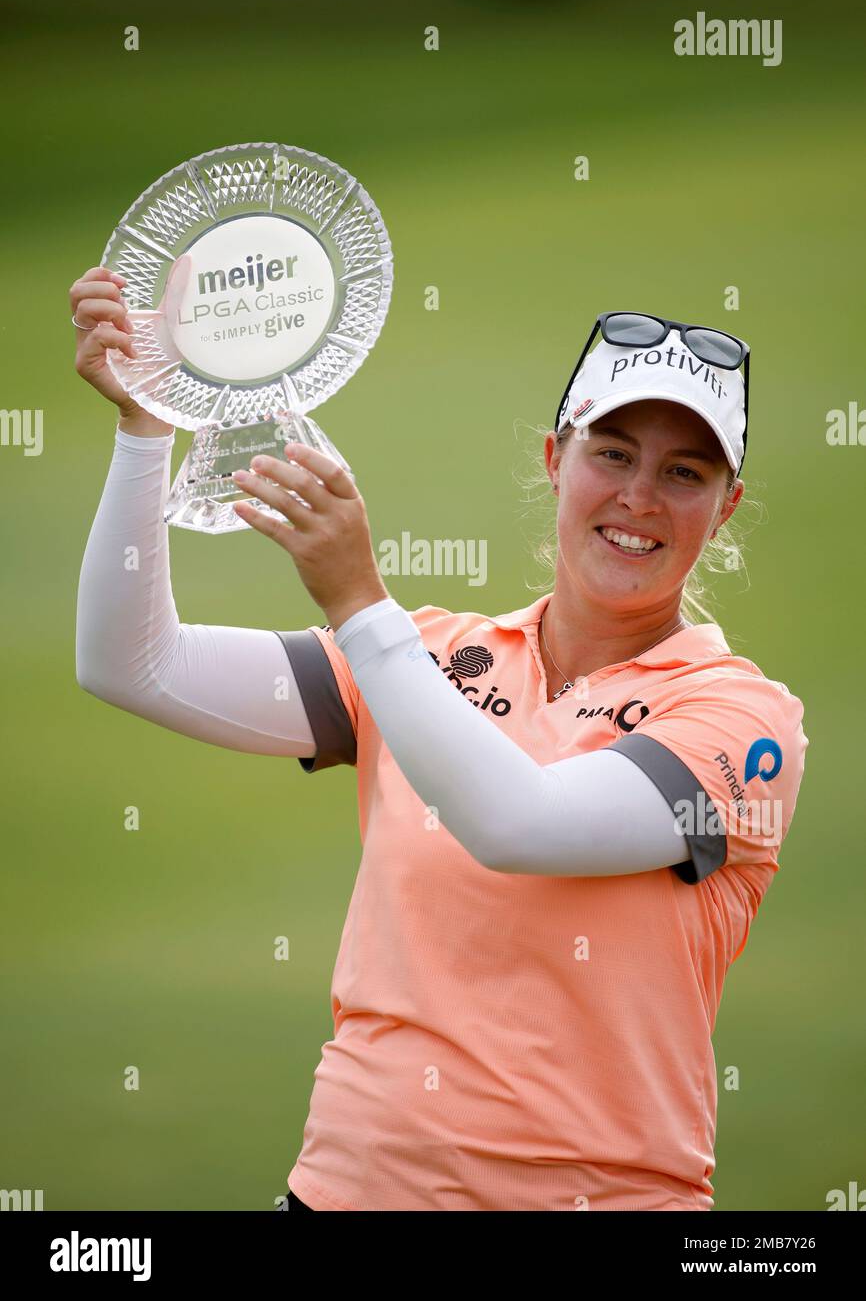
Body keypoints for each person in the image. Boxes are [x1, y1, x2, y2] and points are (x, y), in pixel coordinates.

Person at [72, 272, 808, 1212]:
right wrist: (146, 430)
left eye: (684, 473)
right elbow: (131, 664)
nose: (639, 498)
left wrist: (356, 602)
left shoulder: (744, 724)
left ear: (726, 505)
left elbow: (520, 825)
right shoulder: (431, 657)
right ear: (555, 457)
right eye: (612, 452)